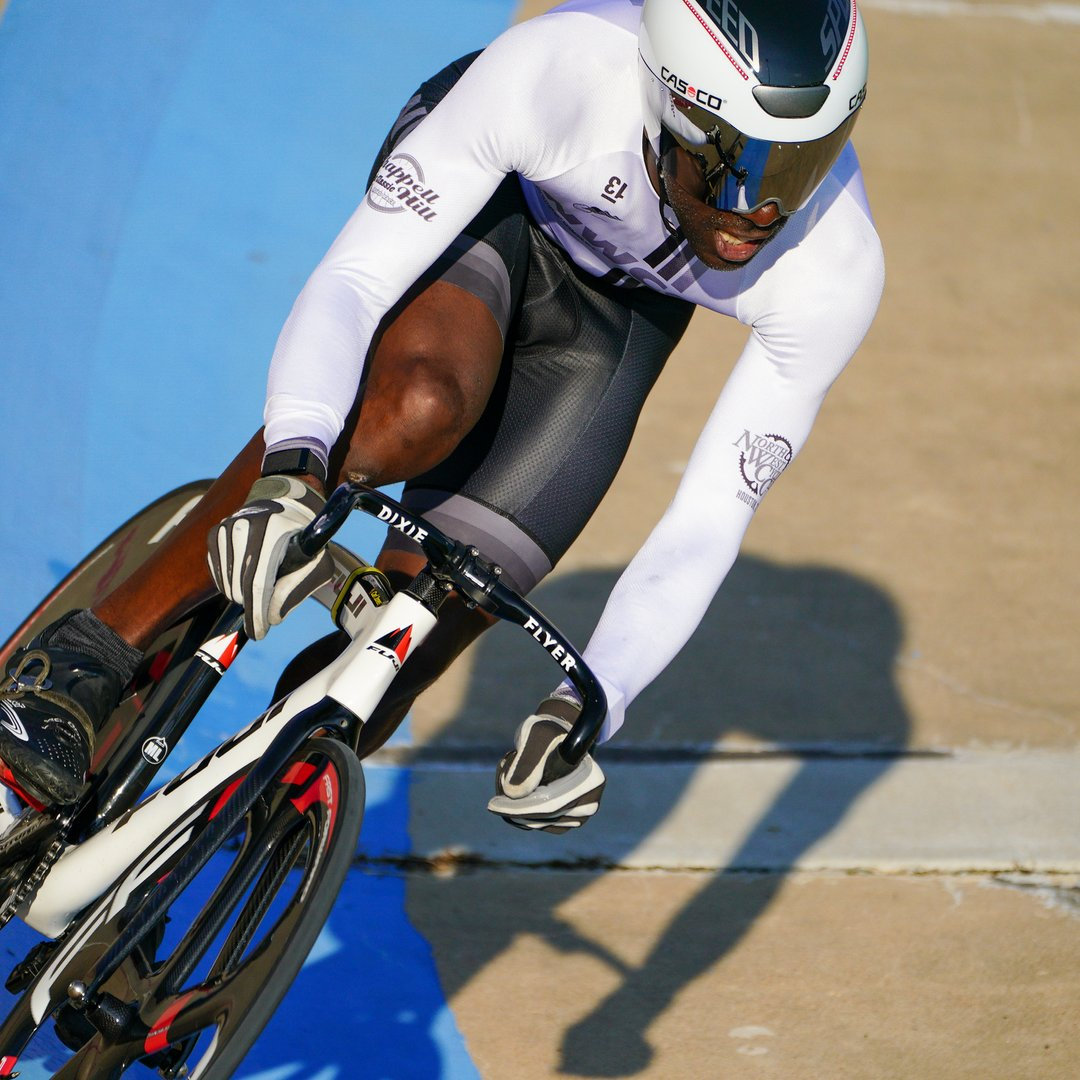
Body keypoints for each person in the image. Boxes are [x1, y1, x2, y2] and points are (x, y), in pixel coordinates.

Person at [0, 0, 883, 832]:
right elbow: (354, 281)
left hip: (615, 322)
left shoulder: (835, 267)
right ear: (668, 110)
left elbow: (710, 517)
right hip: (499, 207)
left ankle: (193, 843)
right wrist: (295, 463)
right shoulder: (557, 73)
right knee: (420, 407)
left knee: (431, 620)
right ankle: (84, 658)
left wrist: (594, 702)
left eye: (801, 165)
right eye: (738, 163)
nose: (762, 209)